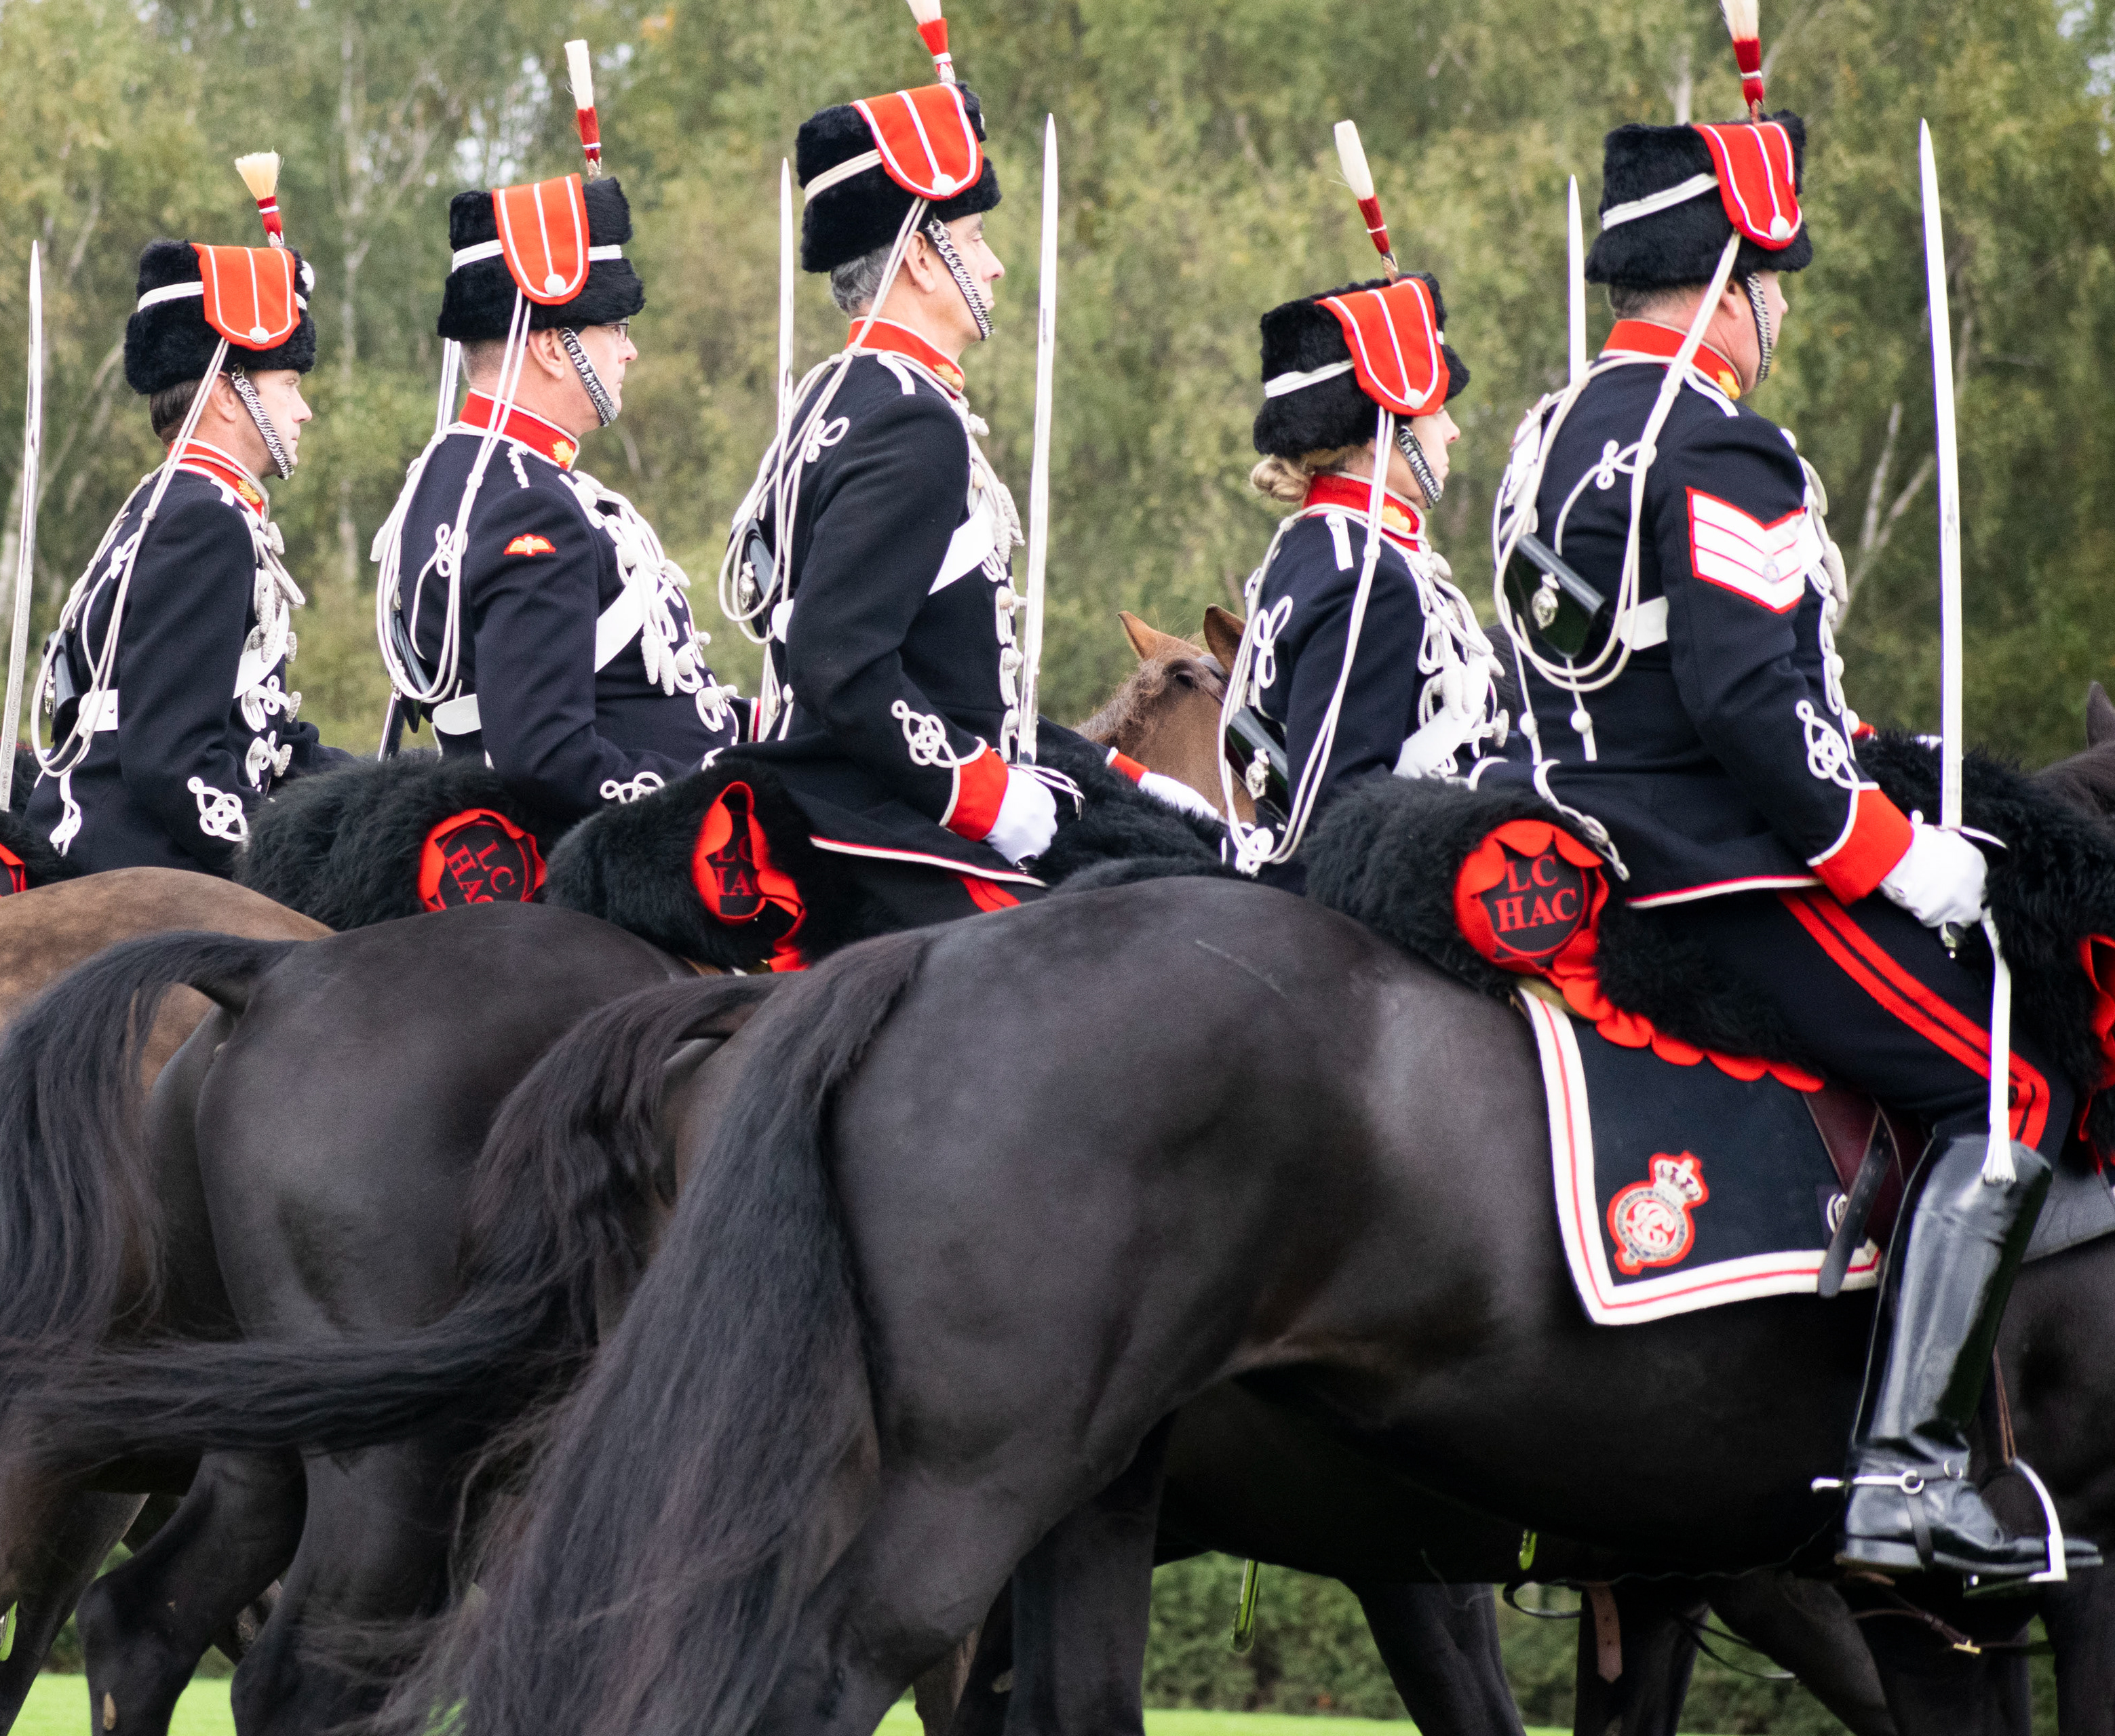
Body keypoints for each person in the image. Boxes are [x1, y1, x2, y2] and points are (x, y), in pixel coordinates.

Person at [1494, 100, 2095, 1578]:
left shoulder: (1552, 437)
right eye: (1770, 288)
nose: (1774, 320)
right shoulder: (1718, 444)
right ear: (1726, 285)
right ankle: (1908, 1472)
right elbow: (1755, 710)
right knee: (2009, 1085)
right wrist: (1896, 850)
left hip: (1579, 840)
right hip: (1724, 866)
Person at [716, 63, 1205, 940]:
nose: (997, 263)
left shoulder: (842, 395)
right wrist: (985, 798)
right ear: (918, 258)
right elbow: (842, 662)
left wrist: (1117, 775)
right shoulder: (909, 416)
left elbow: (947, 677)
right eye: (973, 238)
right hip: (883, 815)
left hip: (870, 784)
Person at [372, 153, 737, 841]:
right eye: (615, 329)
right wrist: (721, 791)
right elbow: (545, 754)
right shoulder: (527, 499)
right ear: (549, 346)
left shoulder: (456, 468)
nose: (628, 352)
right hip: (608, 862)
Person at [30, 156, 338, 874]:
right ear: (229, 394)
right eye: (288, 383)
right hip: (141, 862)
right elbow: (173, 761)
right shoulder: (206, 521)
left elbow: (256, 733)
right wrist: (282, 859)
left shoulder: (177, 500)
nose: (304, 409)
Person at [1229, 271, 1513, 892]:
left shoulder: (1313, 545)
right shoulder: (1367, 576)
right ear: (1386, 433)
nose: (1453, 430)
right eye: (1436, 410)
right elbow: (1344, 810)